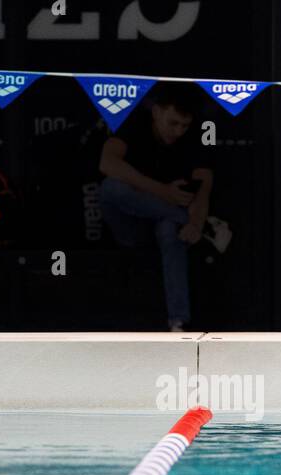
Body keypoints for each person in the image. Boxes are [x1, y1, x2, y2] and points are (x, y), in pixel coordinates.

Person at [98, 82, 229, 332]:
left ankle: (177, 321)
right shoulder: (134, 123)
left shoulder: (194, 135)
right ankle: (205, 228)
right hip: (131, 225)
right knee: (111, 188)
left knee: (171, 230)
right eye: (173, 123)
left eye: (184, 125)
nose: (178, 131)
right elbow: (107, 163)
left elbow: (204, 184)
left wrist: (195, 221)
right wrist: (163, 193)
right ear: (156, 112)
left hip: (166, 222)